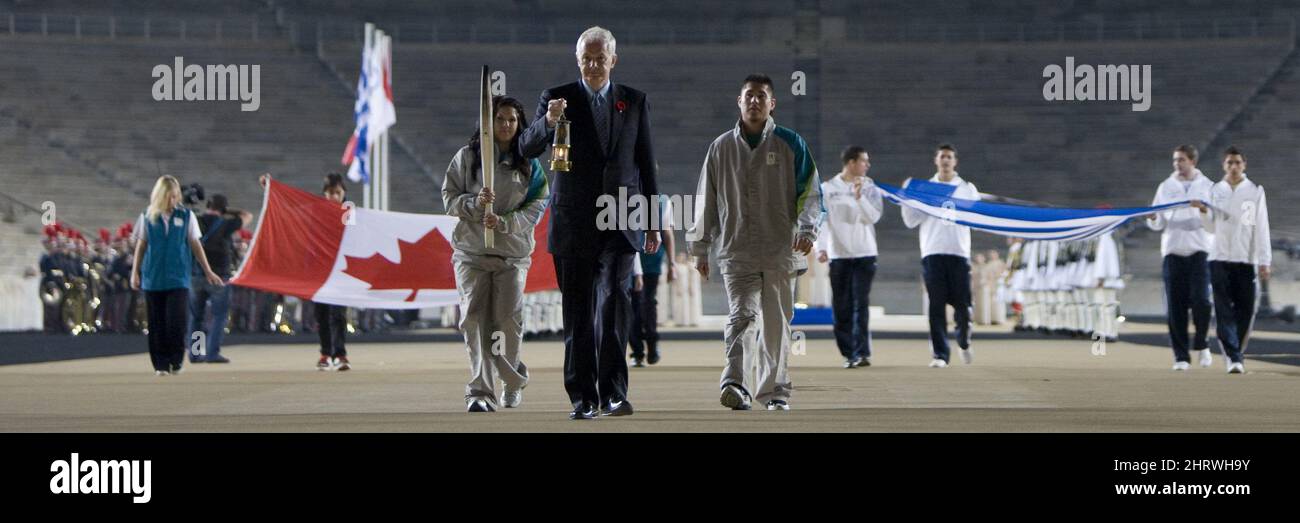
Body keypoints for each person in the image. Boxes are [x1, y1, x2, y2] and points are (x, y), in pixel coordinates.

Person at [519, 26, 662, 420]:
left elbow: (646, 164)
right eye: (587, 58)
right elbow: (527, 146)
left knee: (616, 307)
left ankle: (614, 393)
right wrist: (548, 122)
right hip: (573, 222)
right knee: (578, 312)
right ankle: (582, 398)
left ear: (614, 59)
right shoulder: (555, 98)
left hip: (621, 220)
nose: (594, 65)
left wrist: (652, 220)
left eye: (601, 58)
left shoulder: (634, 101)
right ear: (577, 59)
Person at [688, 73, 823, 411]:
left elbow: (812, 193)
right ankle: (734, 382)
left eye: (761, 96)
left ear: (772, 103)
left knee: (776, 327)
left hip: (781, 251)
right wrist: (701, 246)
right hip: (738, 251)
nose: (754, 101)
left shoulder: (792, 144)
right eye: (749, 95)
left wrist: (807, 230)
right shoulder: (721, 148)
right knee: (742, 317)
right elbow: (706, 199)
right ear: (739, 101)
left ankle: (774, 392)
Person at [443, 95, 550, 412]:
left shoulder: (529, 164)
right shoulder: (467, 158)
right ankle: (479, 391)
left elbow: (537, 207)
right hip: (471, 253)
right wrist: (475, 204)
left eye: (512, 120)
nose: (505, 125)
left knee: (507, 321)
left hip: (511, 256)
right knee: (473, 320)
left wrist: (505, 222)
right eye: (499, 119)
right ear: (487, 123)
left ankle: (512, 379)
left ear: (520, 125)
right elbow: (449, 198)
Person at [130, 175, 224, 376]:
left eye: (176, 196)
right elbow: (141, 244)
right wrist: (135, 272)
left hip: (178, 276)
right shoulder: (146, 216)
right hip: (153, 277)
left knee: (176, 320)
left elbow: (195, 244)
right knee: (157, 323)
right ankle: (160, 364)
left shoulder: (186, 216)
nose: (173, 201)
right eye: (169, 197)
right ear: (160, 196)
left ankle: (176, 360)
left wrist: (207, 270)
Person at [902, 144, 978, 368]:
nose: (946, 160)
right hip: (933, 253)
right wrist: (909, 196)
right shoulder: (925, 189)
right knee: (935, 306)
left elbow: (976, 217)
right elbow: (910, 220)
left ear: (955, 162)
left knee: (963, 306)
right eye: (942, 156)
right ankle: (940, 355)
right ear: (936, 160)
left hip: (959, 253)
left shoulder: (966, 188)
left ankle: (964, 341)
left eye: (950, 157)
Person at [1201, 146, 1271, 374]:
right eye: (1229, 163)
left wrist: (1264, 260)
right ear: (1224, 165)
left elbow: (1261, 227)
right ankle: (1233, 356)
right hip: (1219, 257)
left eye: (1237, 163)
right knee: (1222, 310)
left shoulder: (1254, 191)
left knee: (1245, 310)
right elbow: (1210, 227)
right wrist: (1203, 212)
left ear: (1244, 165)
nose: (1233, 167)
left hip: (1246, 258)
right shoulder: (1214, 191)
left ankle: (1236, 352)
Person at [1146, 144, 1215, 371]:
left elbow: (1217, 220)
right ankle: (1181, 356)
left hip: (1200, 250)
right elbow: (1157, 223)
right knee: (1175, 307)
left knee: (1202, 301)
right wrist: (1153, 217)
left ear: (1193, 161)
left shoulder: (1208, 186)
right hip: (1173, 251)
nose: (1177, 164)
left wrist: (1204, 210)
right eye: (1175, 160)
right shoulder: (1166, 187)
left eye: (1182, 160)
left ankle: (1202, 343)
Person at [814, 146, 882, 368]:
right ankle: (848, 353)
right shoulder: (827, 188)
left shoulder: (869, 186)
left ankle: (862, 352)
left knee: (860, 304)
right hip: (839, 256)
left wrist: (859, 197)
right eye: (864, 161)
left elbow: (873, 217)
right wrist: (820, 247)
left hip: (865, 254)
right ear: (851, 162)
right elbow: (820, 221)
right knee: (842, 305)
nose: (867, 165)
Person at [188, 194, 251, 364]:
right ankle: (212, 353)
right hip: (219, 276)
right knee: (219, 316)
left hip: (196, 275)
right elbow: (247, 216)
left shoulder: (197, 220)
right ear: (222, 209)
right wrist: (227, 211)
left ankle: (195, 353)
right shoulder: (225, 224)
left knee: (196, 317)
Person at [629, 198, 676, 367]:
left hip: (651, 260)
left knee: (647, 302)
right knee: (631, 304)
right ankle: (637, 350)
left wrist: (672, 264)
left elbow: (667, 233)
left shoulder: (663, 201)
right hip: (628, 258)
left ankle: (651, 343)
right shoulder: (626, 197)